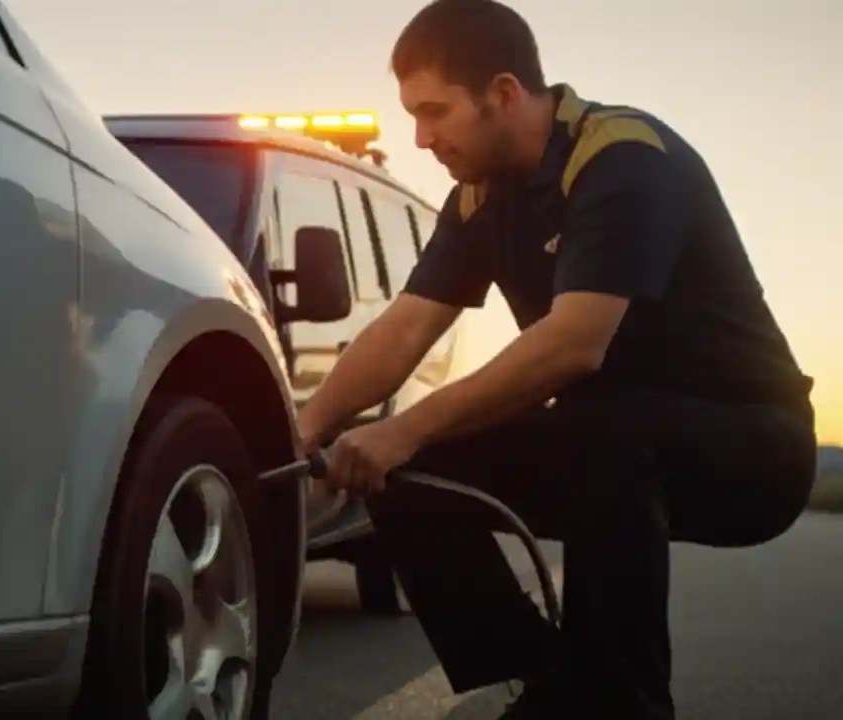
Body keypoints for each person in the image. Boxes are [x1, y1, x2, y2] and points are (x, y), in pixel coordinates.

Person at [295, 1, 819, 717]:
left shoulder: (621, 158)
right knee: (407, 472)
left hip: (754, 448)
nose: (420, 138)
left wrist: (402, 425)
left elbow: (575, 345)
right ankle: (551, 684)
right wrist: (309, 423)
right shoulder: (480, 196)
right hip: (603, 440)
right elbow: (405, 326)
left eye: (435, 112)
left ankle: (619, 703)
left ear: (504, 93)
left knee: (594, 421)